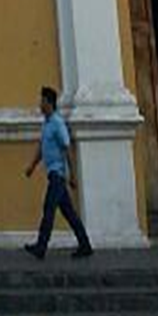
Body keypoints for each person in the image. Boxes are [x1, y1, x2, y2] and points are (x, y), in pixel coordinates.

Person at [23, 85, 93, 260]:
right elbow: (42, 148)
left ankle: (41, 246)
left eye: (42, 101)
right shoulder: (47, 124)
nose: (40, 104)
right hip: (53, 174)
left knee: (49, 209)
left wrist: (73, 175)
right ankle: (85, 245)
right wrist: (32, 166)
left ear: (49, 103)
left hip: (58, 175)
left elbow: (66, 148)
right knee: (69, 213)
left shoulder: (57, 123)